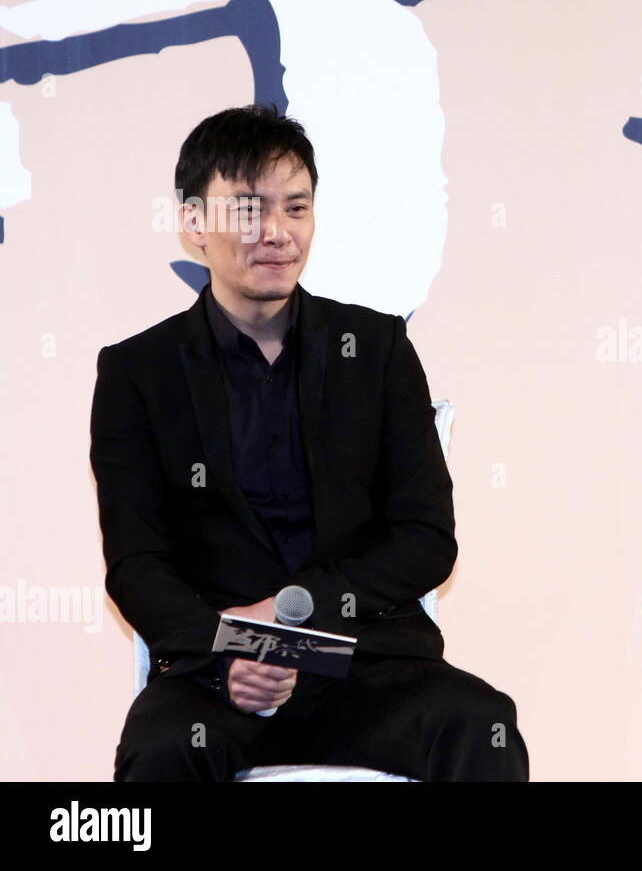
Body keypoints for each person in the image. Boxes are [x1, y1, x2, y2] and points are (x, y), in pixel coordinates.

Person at [91, 103, 528, 781]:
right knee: (159, 754)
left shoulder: (376, 350)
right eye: (247, 209)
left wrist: (290, 615)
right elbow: (137, 565)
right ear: (193, 222)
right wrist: (232, 651)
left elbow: (425, 539)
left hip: (363, 665)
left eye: (296, 209)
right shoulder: (138, 373)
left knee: (484, 727)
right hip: (215, 679)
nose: (277, 233)